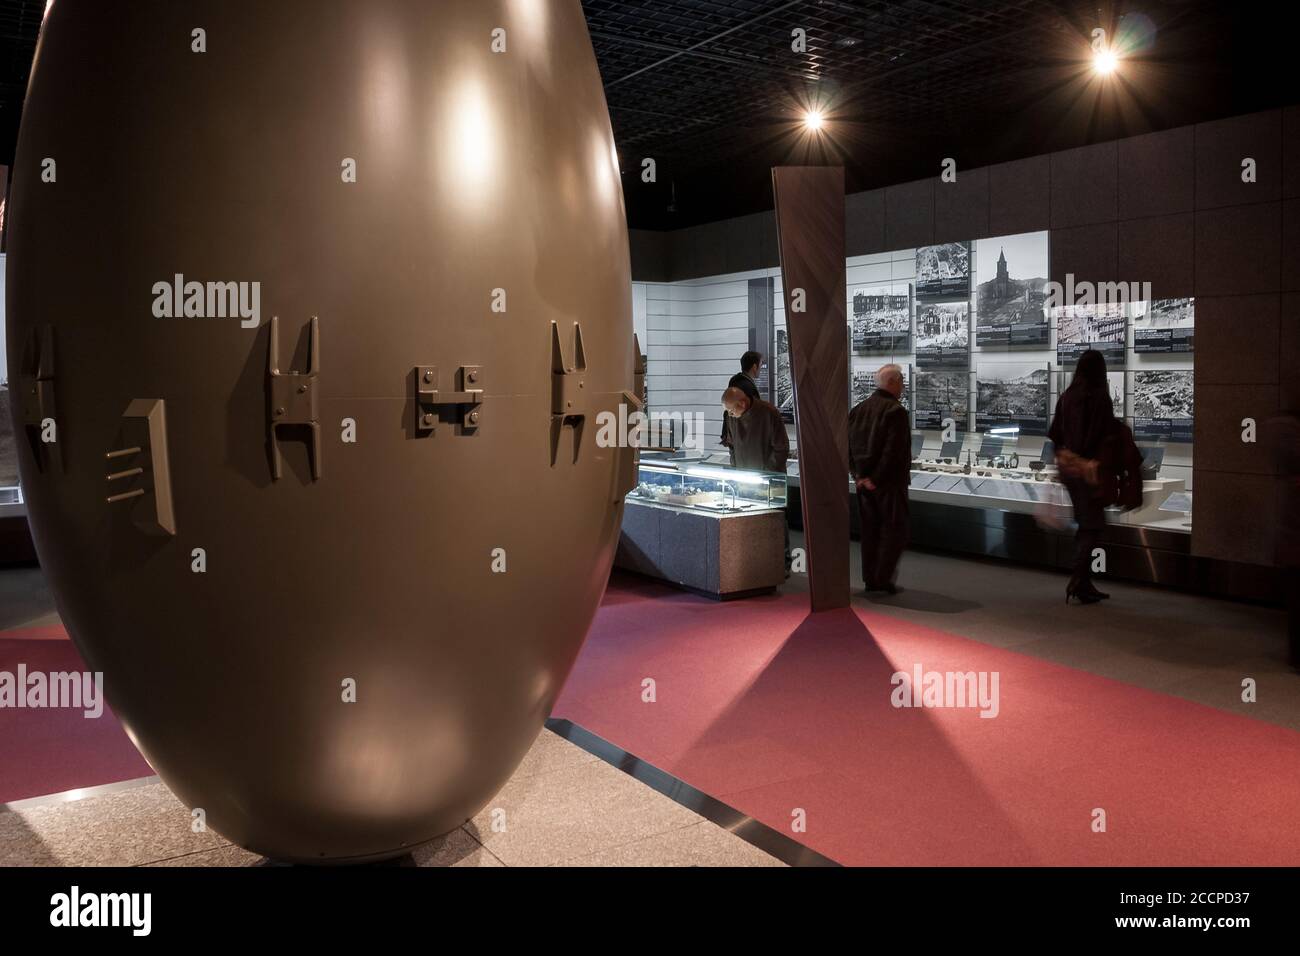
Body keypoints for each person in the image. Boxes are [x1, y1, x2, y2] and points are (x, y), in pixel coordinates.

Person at [1048, 349, 1114, 604]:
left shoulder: (1067, 396)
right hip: (1089, 471)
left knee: (1086, 523)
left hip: (1069, 471)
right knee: (1092, 526)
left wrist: (1067, 457)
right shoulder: (1099, 397)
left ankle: (1083, 581)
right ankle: (1078, 579)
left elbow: (1055, 434)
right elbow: (1102, 435)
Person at [848, 364, 911, 595]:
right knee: (894, 531)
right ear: (892, 382)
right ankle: (882, 579)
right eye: (901, 380)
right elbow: (893, 452)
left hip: (864, 484)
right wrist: (874, 478)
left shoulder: (858, 409)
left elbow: (847, 447)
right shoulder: (896, 412)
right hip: (889, 485)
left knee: (870, 531)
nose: (903, 385)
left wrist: (858, 476)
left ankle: (870, 578)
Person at [721, 385, 791, 571]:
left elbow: (781, 448)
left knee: (775, 520)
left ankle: (781, 563)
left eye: (730, 410)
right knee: (751, 521)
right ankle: (755, 561)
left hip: (770, 479)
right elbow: (732, 445)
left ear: (742, 403)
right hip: (745, 478)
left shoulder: (769, 413)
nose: (729, 414)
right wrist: (735, 470)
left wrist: (767, 473)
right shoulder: (732, 417)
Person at [719, 351, 763, 449]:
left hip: (735, 437)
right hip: (744, 439)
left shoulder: (735, 382)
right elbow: (753, 415)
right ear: (755, 367)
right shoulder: (747, 386)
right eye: (760, 365)